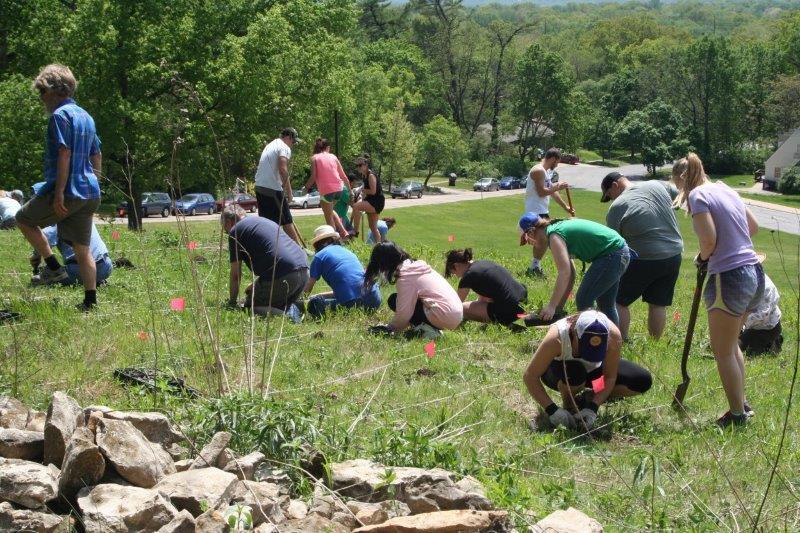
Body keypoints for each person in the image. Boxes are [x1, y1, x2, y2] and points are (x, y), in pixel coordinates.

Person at [675, 152, 763, 427]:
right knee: (730, 345)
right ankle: (741, 405)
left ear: (682, 179)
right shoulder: (725, 188)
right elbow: (753, 227)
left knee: (722, 351)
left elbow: (708, 240)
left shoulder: (697, 195)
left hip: (729, 276)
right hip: (754, 272)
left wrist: (703, 258)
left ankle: (737, 416)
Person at [15, 64, 102, 311]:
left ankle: (53, 267)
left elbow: (64, 152)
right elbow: (96, 153)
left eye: (42, 92)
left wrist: (59, 193)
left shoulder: (59, 116)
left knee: (23, 218)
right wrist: (95, 183)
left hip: (68, 190)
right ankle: (90, 302)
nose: (41, 98)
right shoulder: (86, 116)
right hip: (89, 192)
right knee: (83, 249)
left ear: (54, 91)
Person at [522, 310, 652, 430]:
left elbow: (609, 377)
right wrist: (552, 410)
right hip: (560, 375)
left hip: (595, 379)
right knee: (576, 371)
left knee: (641, 380)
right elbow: (530, 376)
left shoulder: (613, 336)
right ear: (575, 333)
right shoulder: (557, 336)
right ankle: (569, 406)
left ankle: (588, 398)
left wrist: (593, 407)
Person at [600, 171, 683, 339]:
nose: (611, 199)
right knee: (658, 303)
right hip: (674, 254)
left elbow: (614, 243)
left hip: (645, 258)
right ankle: (654, 342)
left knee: (618, 300)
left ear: (615, 185)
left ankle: (622, 339)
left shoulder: (618, 206)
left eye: (609, 195)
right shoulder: (657, 185)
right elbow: (681, 197)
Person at [519, 213, 630, 326]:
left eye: (526, 239)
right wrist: (558, 308)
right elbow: (570, 274)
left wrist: (551, 306)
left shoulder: (554, 236)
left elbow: (564, 273)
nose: (529, 243)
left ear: (531, 232)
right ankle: (614, 337)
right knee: (606, 304)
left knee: (584, 299)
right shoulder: (555, 230)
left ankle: (590, 334)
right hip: (619, 252)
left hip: (612, 255)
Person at [222, 205, 308, 321]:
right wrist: (256, 284)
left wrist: (232, 302)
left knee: (249, 307)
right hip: (304, 271)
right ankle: (301, 308)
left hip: (284, 275)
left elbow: (235, 275)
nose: (226, 232)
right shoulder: (263, 221)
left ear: (228, 222)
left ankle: (288, 319)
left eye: (225, 229)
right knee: (275, 303)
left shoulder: (235, 231)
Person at [364, 242, 462, 336]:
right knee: (400, 300)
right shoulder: (416, 267)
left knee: (393, 300)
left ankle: (429, 330)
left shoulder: (405, 276)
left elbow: (404, 313)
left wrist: (391, 328)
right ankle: (426, 325)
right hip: (456, 314)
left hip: (445, 316)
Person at [303, 225, 382, 318]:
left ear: (317, 244)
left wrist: (301, 300)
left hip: (353, 303)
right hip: (374, 299)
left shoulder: (319, 257)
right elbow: (349, 288)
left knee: (314, 304)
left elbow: (308, 288)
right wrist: (319, 295)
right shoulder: (347, 251)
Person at [444, 248, 528, 326]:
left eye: (454, 273)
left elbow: (456, 305)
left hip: (509, 311)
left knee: (463, 309)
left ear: (456, 266)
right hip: (522, 303)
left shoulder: (468, 276)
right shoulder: (483, 263)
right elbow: (484, 296)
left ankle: (506, 322)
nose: (457, 276)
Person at [524, 148, 574, 277]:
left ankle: (535, 266)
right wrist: (558, 186)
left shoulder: (545, 172)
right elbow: (542, 192)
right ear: (552, 159)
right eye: (557, 162)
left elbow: (552, 191)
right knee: (542, 240)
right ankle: (534, 268)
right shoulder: (538, 170)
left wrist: (566, 207)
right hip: (535, 211)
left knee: (543, 240)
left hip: (542, 211)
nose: (557, 165)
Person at [253, 127, 301, 244]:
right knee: (286, 221)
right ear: (288, 137)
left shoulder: (271, 144)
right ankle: (298, 250)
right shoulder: (284, 147)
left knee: (267, 223)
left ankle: (268, 247)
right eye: (293, 141)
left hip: (259, 186)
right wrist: (289, 192)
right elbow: (283, 169)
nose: (293, 145)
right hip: (271, 188)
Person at [31, 224, 112, 286]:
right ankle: (96, 279)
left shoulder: (57, 219)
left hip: (80, 270)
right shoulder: (84, 213)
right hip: (106, 266)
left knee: (38, 279)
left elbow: (44, 237)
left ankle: (83, 279)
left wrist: (36, 256)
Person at [304, 138, 353, 239]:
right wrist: (350, 191)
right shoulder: (333, 157)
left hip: (327, 191)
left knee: (329, 218)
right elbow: (343, 176)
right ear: (328, 148)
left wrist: (306, 187)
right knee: (330, 210)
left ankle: (334, 240)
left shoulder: (314, 158)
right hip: (339, 189)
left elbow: (313, 177)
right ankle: (343, 231)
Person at [739, 272, 782, 356]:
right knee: (735, 344)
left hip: (767, 328)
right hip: (750, 327)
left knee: (752, 351)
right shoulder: (742, 280)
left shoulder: (766, 287)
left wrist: (740, 325)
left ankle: (773, 343)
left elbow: (762, 314)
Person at [351, 157, 386, 244]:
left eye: (360, 165)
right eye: (356, 165)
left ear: (366, 165)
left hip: (376, 202)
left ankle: (355, 231)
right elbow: (366, 191)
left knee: (356, 207)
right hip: (371, 200)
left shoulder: (370, 175)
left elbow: (373, 191)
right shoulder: (364, 175)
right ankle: (379, 245)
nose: (358, 167)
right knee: (373, 227)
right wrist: (361, 195)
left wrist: (361, 190)